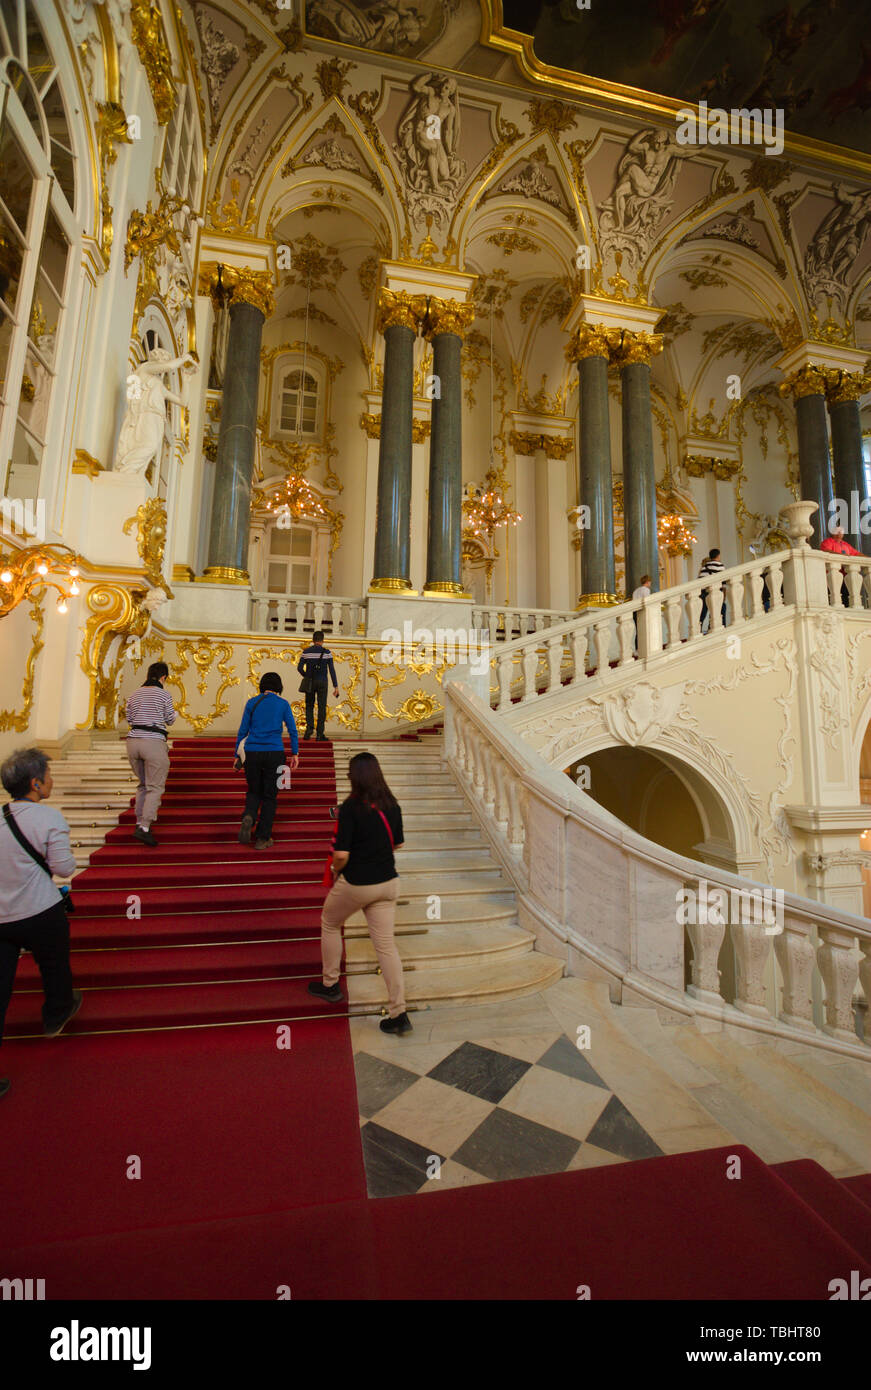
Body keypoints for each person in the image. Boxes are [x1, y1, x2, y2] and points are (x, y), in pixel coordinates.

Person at [0, 747, 83, 1097]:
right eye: (47, 775)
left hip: (1, 918)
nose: (51, 780)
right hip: (40, 911)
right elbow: (64, 869)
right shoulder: (49, 819)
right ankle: (56, 1014)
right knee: (54, 966)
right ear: (35, 783)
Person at [309, 751, 410, 1035]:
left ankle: (330, 985)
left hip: (358, 883)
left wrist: (336, 869)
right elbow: (398, 844)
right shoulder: (392, 805)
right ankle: (399, 1012)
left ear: (354, 777)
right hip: (389, 882)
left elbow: (341, 855)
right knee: (386, 946)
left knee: (330, 923)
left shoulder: (351, 807)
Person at [235, 672, 299, 849]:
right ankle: (263, 838)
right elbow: (293, 730)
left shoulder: (251, 702)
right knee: (271, 796)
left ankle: (249, 815)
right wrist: (295, 753)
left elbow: (242, 731)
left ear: (262, 685)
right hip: (276, 754)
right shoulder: (283, 704)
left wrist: (236, 756)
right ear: (279, 687)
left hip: (252, 753)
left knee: (254, 790)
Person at [123, 660, 176, 846]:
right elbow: (170, 719)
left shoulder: (134, 694)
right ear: (163, 677)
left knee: (143, 785)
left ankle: (139, 822)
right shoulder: (163, 695)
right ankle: (144, 827)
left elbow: (129, 717)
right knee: (155, 787)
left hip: (132, 742)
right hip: (153, 741)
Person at [297, 631, 340, 741]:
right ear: (322, 640)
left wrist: (306, 676)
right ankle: (320, 734)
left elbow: (299, 668)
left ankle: (309, 730)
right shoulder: (327, 652)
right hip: (322, 682)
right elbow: (332, 670)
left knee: (309, 705)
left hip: (310, 682)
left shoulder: (306, 652)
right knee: (321, 707)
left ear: (313, 640)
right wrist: (336, 686)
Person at [820, 525, 863, 606]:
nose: (840, 533)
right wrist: (841, 556)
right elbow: (826, 550)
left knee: (846, 595)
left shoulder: (845, 544)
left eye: (841, 531)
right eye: (838, 531)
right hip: (831, 574)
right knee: (833, 594)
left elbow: (856, 553)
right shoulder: (828, 542)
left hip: (845, 574)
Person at [698, 548, 726, 631]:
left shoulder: (704, 568)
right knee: (719, 611)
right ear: (718, 556)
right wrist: (724, 595)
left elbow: (700, 582)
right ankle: (719, 628)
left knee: (702, 613)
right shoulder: (720, 566)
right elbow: (723, 583)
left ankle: (698, 631)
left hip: (704, 593)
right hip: (717, 592)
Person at [631, 574, 651, 653]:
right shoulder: (646, 590)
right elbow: (647, 602)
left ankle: (637, 650)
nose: (650, 583)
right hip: (642, 611)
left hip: (635, 612)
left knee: (638, 631)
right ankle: (645, 648)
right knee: (645, 630)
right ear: (647, 582)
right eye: (650, 582)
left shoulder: (636, 590)